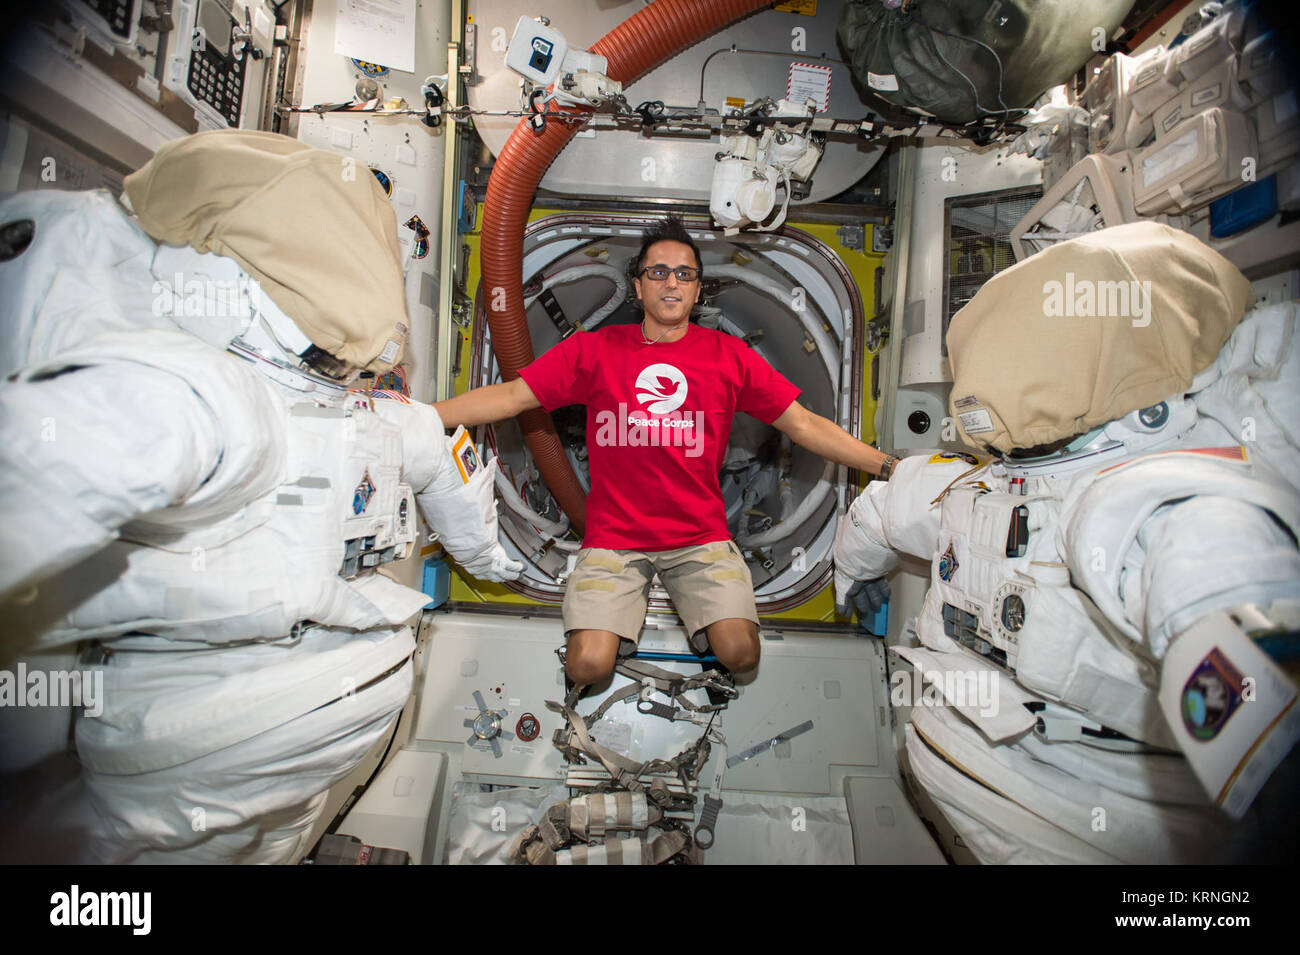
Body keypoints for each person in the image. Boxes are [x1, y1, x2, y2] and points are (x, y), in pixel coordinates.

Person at [0, 130, 520, 862]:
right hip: (276, 733)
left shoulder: (264, 406)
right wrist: (499, 565)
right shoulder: (231, 403)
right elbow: (49, 472)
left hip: (252, 742)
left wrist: (498, 564)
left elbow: (54, 468)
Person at [832, 220, 1300, 863]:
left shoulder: (1159, 505)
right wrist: (850, 575)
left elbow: (1221, 622)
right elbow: (878, 513)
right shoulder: (981, 483)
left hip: (1071, 823)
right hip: (982, 785)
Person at [435, 216, 895, 687]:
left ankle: (699, 628)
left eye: (684, 273)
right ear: (637, 286)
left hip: (700, 536)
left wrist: (888, 466)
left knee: (740, 653)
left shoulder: (729, 356)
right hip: (614, 538)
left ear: (698, 290)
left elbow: (804, 424)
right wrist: (427, 417)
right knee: (587, 666)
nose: (671, 282)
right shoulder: (597, 350)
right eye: (658, 272)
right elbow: (512, 397)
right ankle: (623, 625)